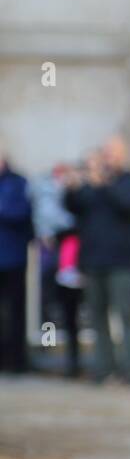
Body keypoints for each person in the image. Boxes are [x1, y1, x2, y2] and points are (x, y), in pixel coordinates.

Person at [64, 136, 130, 384]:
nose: (108, 157)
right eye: (106, 152)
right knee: (97, 318)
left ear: (123, 155)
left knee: (125, 316)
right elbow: (73, 207)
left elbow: (129, 204)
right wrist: (72, 188)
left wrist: (105, 183)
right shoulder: (92, 185)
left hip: (120, 263)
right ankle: (102, 368)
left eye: (113, 152)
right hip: (92, 261)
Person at [31, 163, 81, 377]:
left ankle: (74, 360)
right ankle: (51, 349)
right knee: (51, 309)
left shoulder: (78, 198)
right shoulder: (45, 196)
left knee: (74, 313)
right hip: (52, 262)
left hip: (75, 264)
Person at [0, 145, 34, 374]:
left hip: (13, 258)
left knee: (15, 312)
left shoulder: (18, 182)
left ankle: (16, 361)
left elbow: (22, 213)